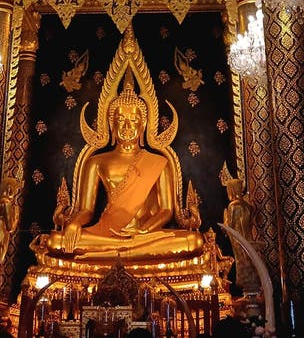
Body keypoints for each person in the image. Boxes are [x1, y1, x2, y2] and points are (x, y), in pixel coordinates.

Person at [47, 71, 202, 261]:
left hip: (145, 237)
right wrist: (74, 224)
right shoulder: (96, 161)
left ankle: (117, 251)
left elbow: (166, 210)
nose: (127, 126)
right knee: (56, 242)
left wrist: (143, 232)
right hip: (106, 235)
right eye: (120, 120)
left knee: (193, 241)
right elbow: (86, 210)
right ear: (111, 124)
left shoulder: (159, 162)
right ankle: (119, 250)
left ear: (143, 124)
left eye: (133, 119)